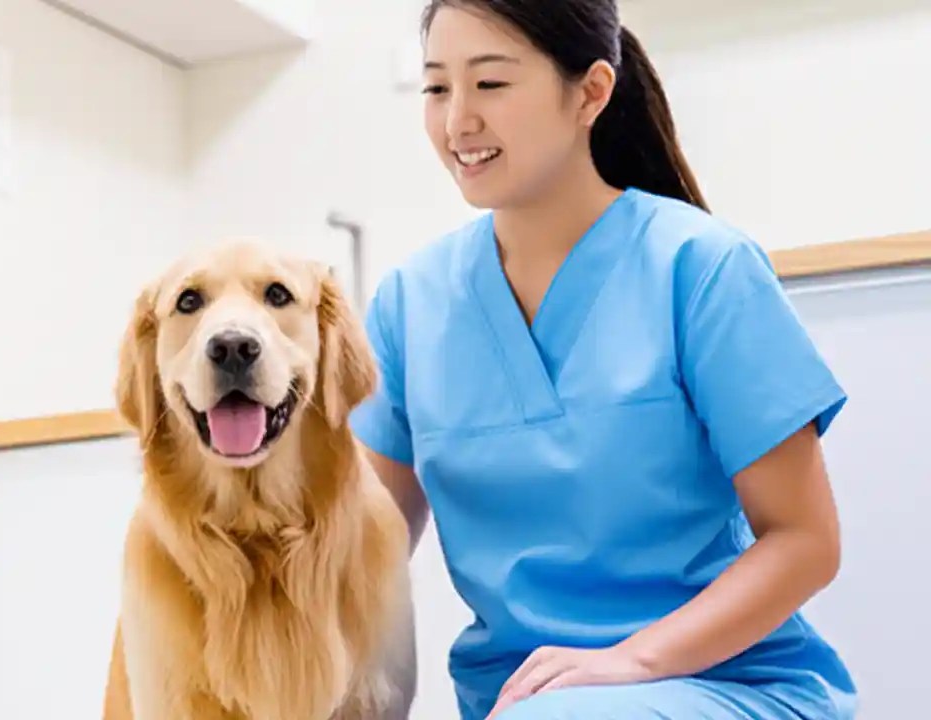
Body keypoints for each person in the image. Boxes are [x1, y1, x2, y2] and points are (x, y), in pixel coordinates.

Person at [348, 1, 858, 718]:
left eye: (490, 85)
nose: (458, 120)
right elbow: (357, 554)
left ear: (590, 91)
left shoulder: (701, 268)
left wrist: (631, 660)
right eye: (436, 88)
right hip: (521, 703)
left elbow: (805, 541)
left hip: (723, 685)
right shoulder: (410, 304)